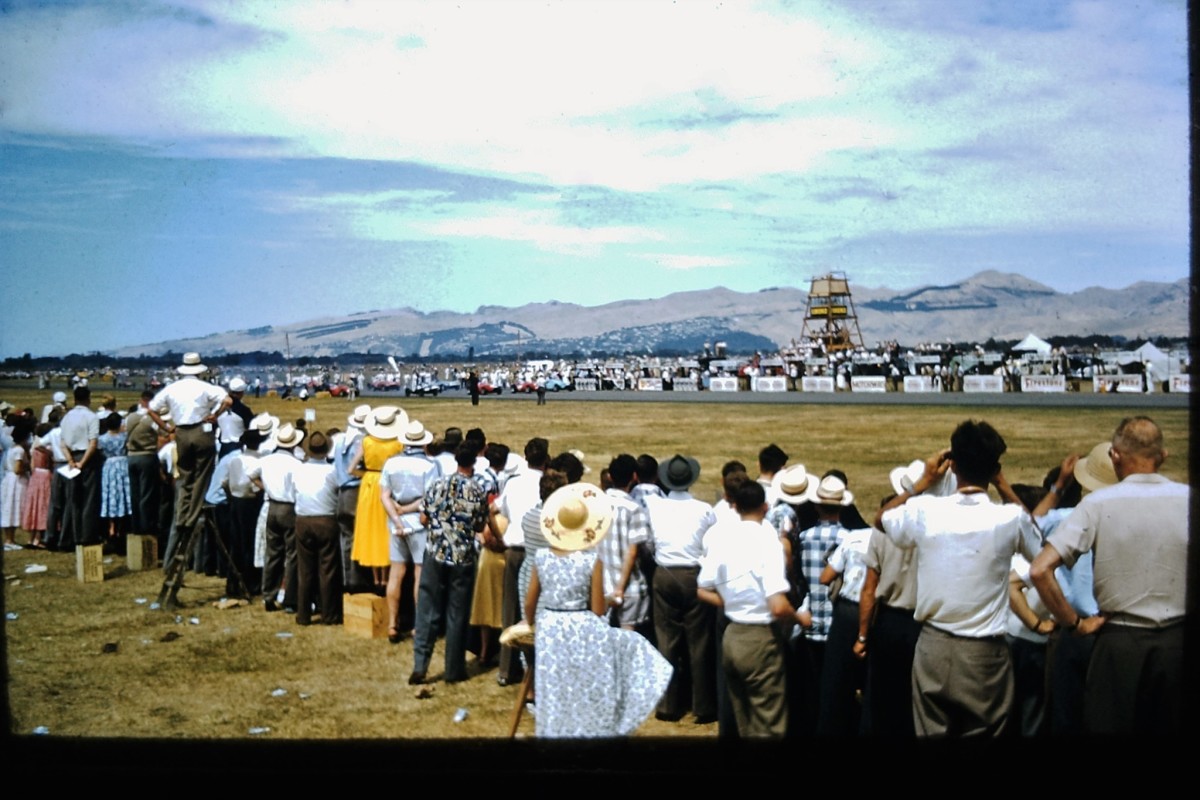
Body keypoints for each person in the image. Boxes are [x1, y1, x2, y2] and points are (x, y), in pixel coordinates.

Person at [875, 420, 1039, 737]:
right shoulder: (1009, 517)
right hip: (983, 651)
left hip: (933, 644)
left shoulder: (924, 509)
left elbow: (881, 519)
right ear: (994, 469)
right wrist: (1004, 486)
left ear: (953, 464)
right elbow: (1039, 547)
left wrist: (921, 482)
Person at [1029, 416, 1189, 735]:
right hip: (1179, 641)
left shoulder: (1098, 503)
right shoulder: (1188, 497)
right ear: (1163, 456)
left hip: (1119, 641)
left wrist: (1074, 623)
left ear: (1115, 456)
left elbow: (1039, 569)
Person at [523, 482, 673, 737]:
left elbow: (530, 602)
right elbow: (597, 608)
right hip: (581, 625)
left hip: (549, 625)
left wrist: (530, 623)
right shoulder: (592, 560)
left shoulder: (542, 557)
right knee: (603, 671)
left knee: (555, 686)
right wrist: (609, 601)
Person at [697, 480, 794, 737]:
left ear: (735, 506)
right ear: (765, 506)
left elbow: (703, 588)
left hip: (732, 637)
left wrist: (730, 602)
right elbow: (778, 605)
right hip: (760, 638)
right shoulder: (768, 540)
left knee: (745, 721)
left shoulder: (721, 538)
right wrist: (800, 618)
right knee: (769, 722)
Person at [642, 453, 718, 724]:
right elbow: (710, 542)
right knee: (699, 643)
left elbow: (649, 542)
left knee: (667, 641)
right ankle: (704, 705)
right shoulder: (704, 509)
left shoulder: (654, 506)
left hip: (664, 573)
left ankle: (667, 705)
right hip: (693, 574)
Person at [409, 443, 489, 685]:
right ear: (473, 462)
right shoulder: (477, 491)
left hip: (435, 552)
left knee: (427, 610)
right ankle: (454, 670)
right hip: (462, 557)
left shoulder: (438, 485)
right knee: (457, 614)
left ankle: (420, 666)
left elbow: (423, 517)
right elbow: (478, 526)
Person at [145, 352, 233, 563]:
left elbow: (152, 409)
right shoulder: (206, 388)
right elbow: (228, 400)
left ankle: (182, 514)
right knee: (202, 475)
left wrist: (166, 427)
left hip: (182, 433)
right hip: (202, 431)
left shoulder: (172, 388)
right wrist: (215, 414)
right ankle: (192, 515)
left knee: (185, 475)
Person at [380, 419, 441, 642]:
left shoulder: (391, 463)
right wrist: (408, 510)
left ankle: (392, 624)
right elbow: (430, 497)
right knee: (419, 574)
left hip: (397, 522)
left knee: (396, 574)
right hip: (418, 522)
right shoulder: (429, 466)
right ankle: (418, 624)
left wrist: (396, 518)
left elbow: (384, 496)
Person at [349, 405, 407, 591]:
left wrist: (365, 475)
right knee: (386, 529)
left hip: (370, 483)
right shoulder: (397, 443)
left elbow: (350, 469)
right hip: (388, 484)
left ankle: (376, 579)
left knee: (371, 529)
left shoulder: (366, 441)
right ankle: (386, 577)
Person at [292, 431, 342, 625]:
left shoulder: (299, 469)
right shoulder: (332, 471)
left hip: (303, 518)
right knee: (327, 569)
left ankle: (303, 613)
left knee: (305, 570)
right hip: (326, 519)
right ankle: (329, 613)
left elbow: (293, 492)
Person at [59, 385, 103, 548]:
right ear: (88, 399)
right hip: (87, 457)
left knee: (74, 498)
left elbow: (62, 443)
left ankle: (74, 534)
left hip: (71, 456)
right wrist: (82, 463)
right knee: (89, 499)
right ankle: (87, 535)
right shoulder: (91, 417)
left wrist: (71, 461)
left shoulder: (66, 417)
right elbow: (93, 442)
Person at [97, 411, 131, 541]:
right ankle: (122, 525)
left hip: (109, 466)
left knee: (111, 494)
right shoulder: (124, 437)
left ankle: (111, 526)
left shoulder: (102, 439)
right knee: (123, 493)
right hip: (123, 464)